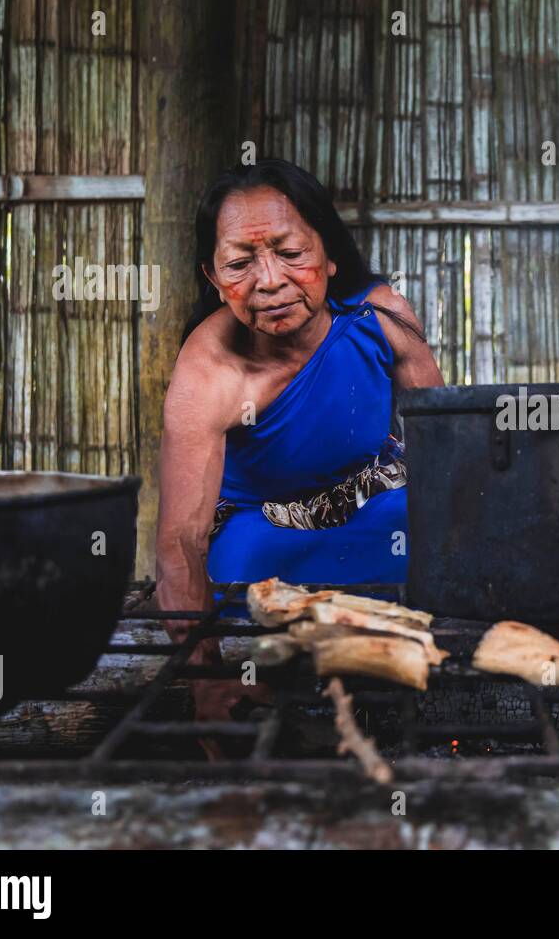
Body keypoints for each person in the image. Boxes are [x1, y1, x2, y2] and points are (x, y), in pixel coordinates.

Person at [154, 158, 442, 735]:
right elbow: (181, 541)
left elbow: (447, 457)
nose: (268, 280)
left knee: (430, 537)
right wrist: (205, 679)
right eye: (239, 263)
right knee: (242, 577)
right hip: (263, 537)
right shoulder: (209, 371)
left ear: (330, 255)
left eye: (291, 253)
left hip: (373, 510)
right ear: (213, 278)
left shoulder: (380, 315)